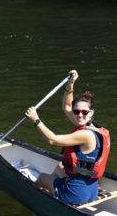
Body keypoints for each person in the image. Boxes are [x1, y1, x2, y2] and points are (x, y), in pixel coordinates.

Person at [25, 70, 111, 205]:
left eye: (84, 112)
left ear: (91, 113)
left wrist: (36, 120)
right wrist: (70, 84)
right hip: (91, 191)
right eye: (76, 111)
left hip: (75, 194)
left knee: (42, 178)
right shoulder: (92, 126)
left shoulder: (85, 134)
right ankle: (52, 194)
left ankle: (34, 199)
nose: (79, 115)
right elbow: (66, 106)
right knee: (61, 166)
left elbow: (52, 140)